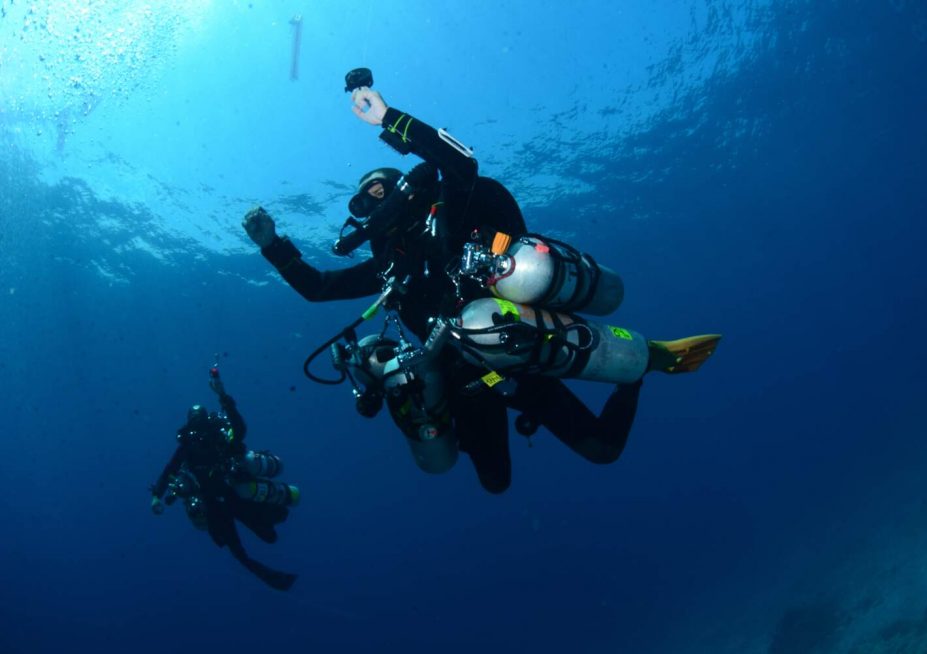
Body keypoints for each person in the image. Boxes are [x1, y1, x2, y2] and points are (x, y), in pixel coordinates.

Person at [243, 86, 719, 494]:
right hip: (463, 379)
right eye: (363, 200)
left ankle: (633, 368)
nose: (371, 202)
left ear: (406, 190)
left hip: (521, 346)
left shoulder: (451, 212)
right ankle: (625, 366)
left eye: (380, 191)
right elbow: (318, 287)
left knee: (602, 448)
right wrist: (272, 245)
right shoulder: (387, 267)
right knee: (495, 482)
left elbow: (460, 165)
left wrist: (389, 117)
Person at [150, 368, 300, 590]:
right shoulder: (188, 448)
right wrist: (156, 495)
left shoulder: (219, 438)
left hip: (232, 493)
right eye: (195, 426)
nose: (199, 433)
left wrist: (223, 397)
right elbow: (169, 471)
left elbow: (239, 429)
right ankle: (270, 577)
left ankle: (270, 573)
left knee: (267, 535)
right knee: (237, 547)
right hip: (215, 502)